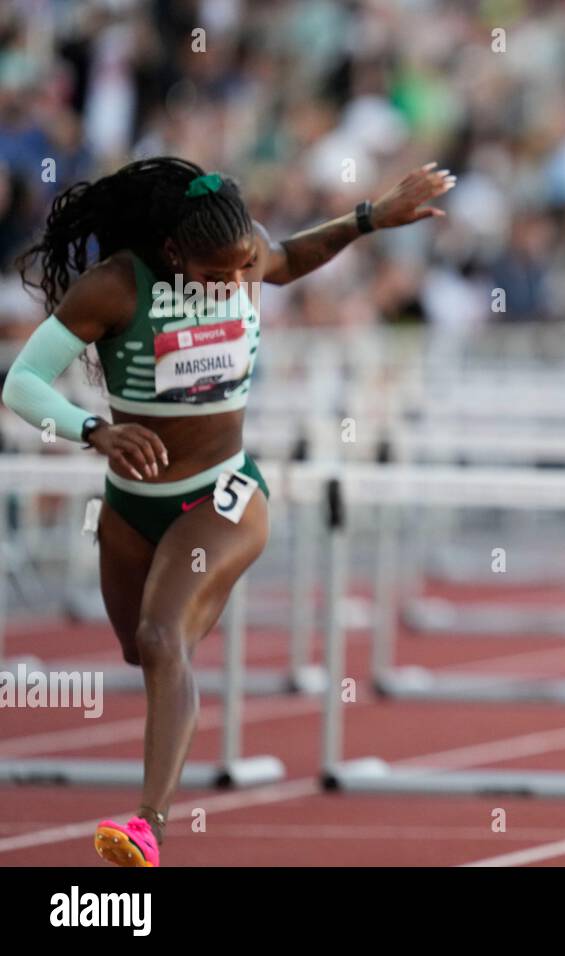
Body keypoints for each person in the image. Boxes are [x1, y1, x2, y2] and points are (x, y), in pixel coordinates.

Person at [3, 156, 455, 866]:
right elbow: (22, 381)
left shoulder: (243, 255)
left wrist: (369, 218)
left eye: (241, 268)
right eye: (215, 276)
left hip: (224, 495)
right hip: (131, 505)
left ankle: (147, 824)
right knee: (139, 647)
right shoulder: (116, 286)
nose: (232, 285)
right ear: (175, 252)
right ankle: (178, 639)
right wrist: (94, 430)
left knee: (159, 636)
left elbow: (293, 255)